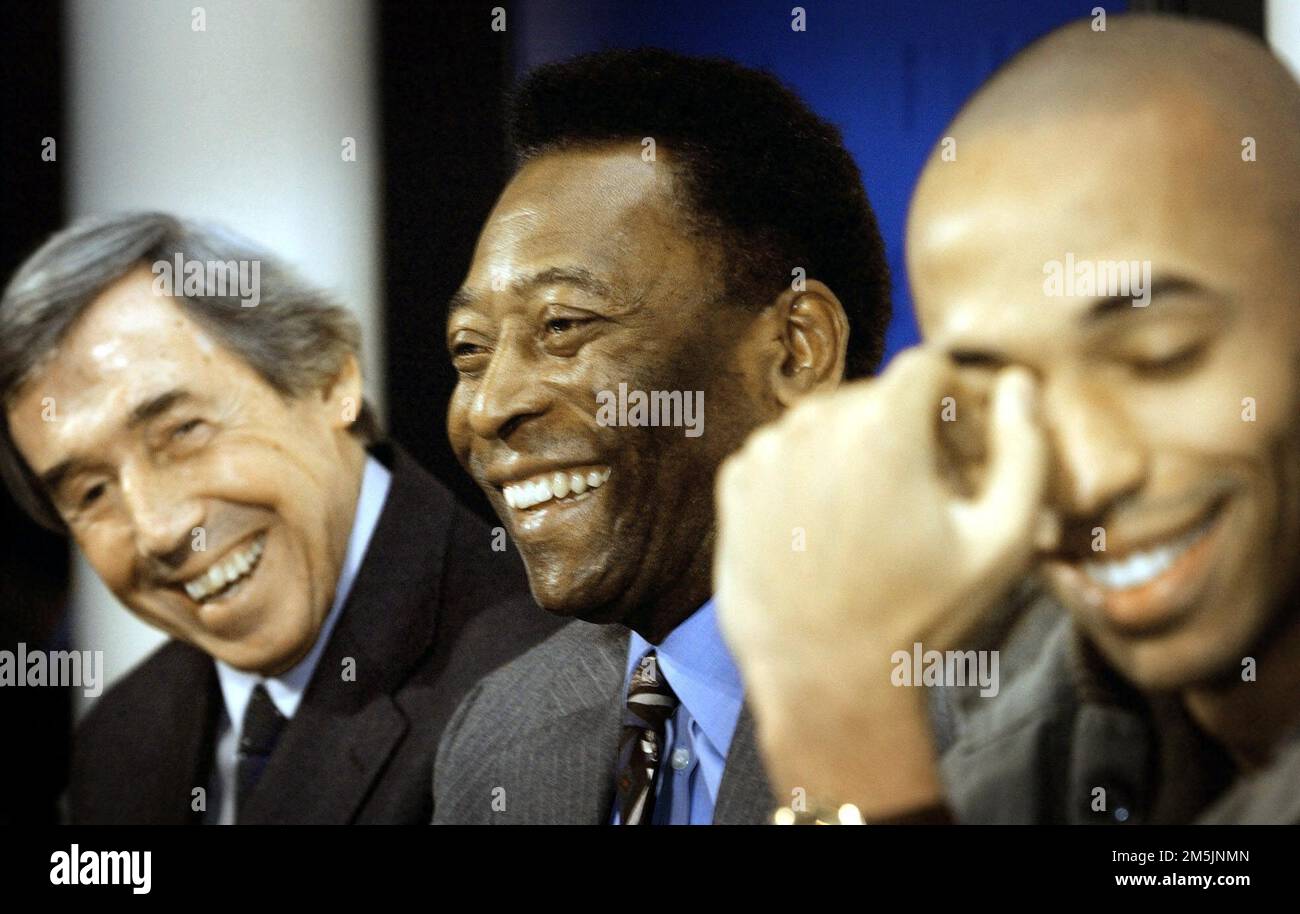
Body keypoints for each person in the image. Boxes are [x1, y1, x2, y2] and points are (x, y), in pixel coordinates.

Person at [714, 14, 1300, 824]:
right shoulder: (1031, 733)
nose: (1085, 479)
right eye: (1004, 400)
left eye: (1160, 355)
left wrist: (840, 722)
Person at [432, 48, 891, 824]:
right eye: (470, 350)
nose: (488, 407)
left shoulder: (1008, 709)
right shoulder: (500, 737)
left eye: (564, 326)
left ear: (794, 349)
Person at [0, 212, 560, 824]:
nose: (157, 528)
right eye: (90, 492)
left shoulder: (546, 682)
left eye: (182, 431)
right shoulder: (120, 739)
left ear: (329, 377)